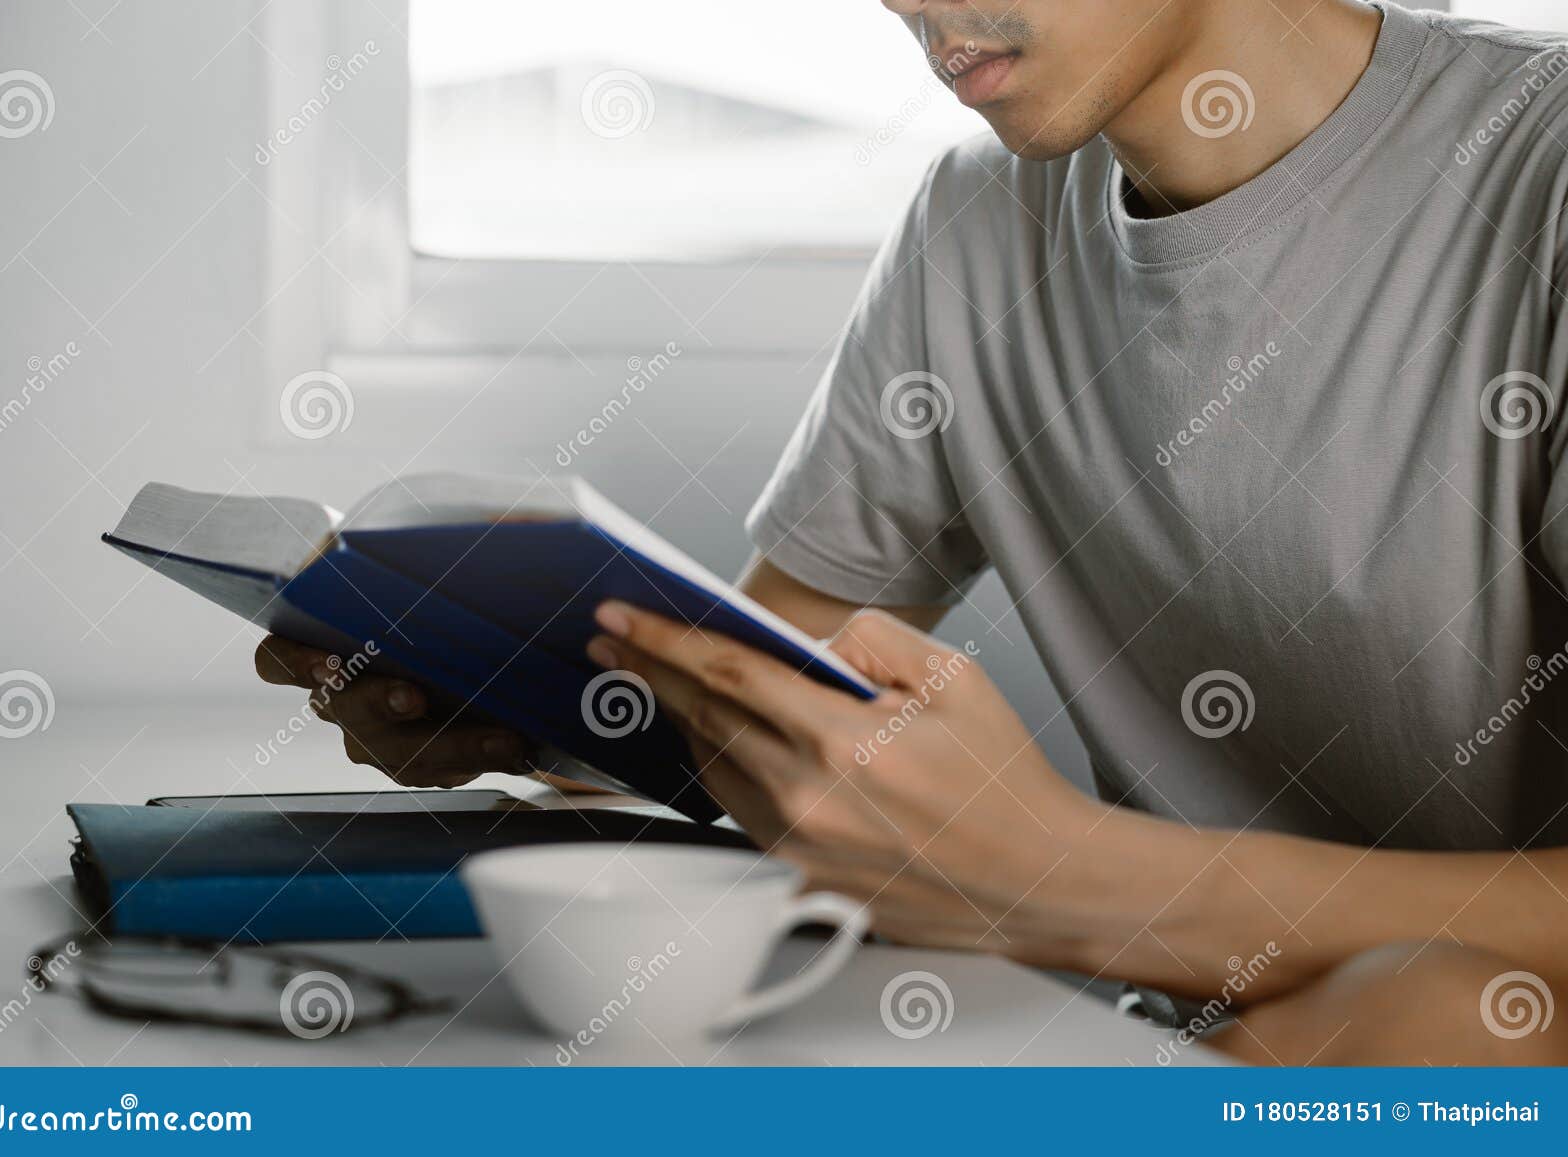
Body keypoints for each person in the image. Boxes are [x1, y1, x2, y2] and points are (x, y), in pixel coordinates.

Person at [256, 1, 1568, 1065]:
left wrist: (1065, 875)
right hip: (1175, 1045)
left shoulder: (1539, 169)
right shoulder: (976, 224)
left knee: (1439, 1013)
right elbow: (765, 707)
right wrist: (533, 703)